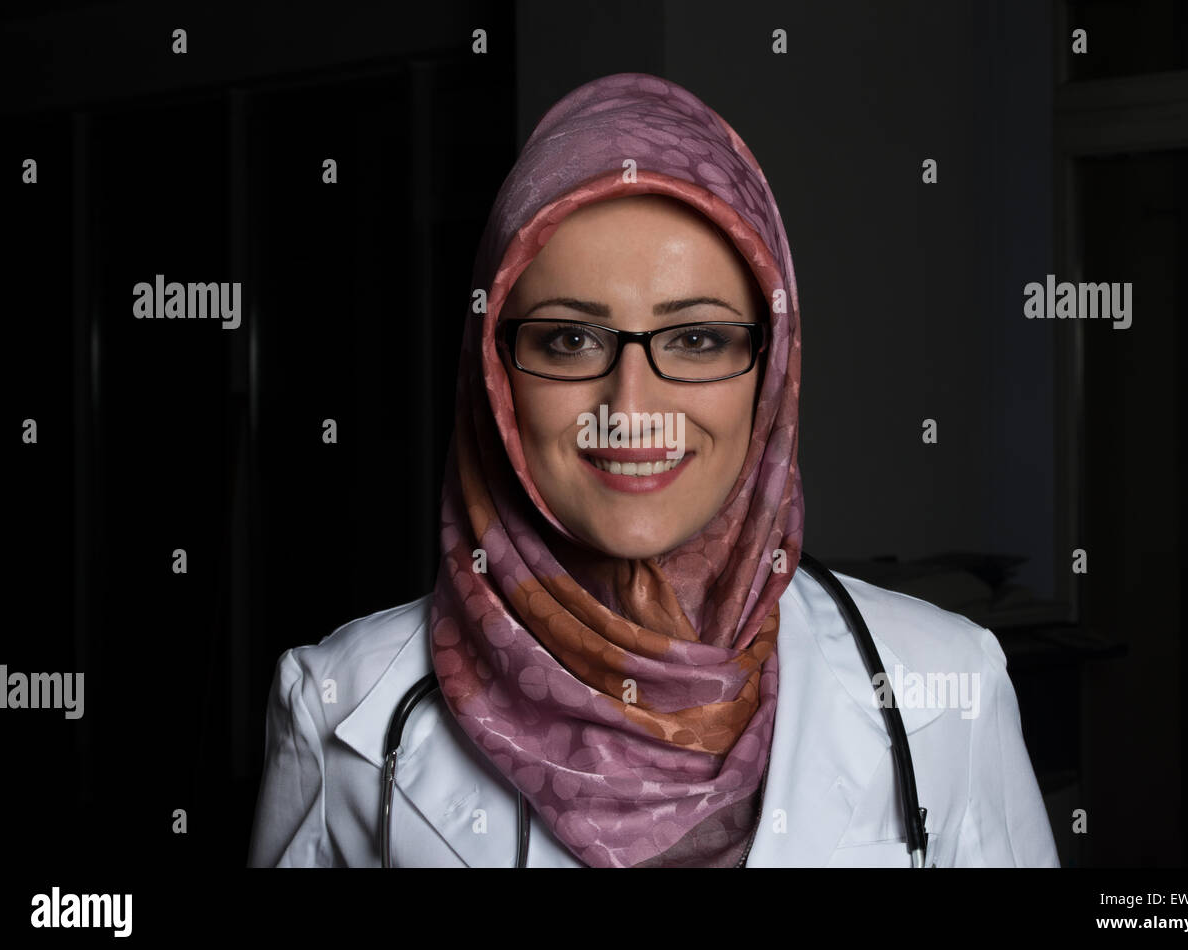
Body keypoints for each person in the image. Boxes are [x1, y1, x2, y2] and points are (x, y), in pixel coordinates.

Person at [247, 72, 1059, 868]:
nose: (631, 407)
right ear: (494, 373)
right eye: (569, 340)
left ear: (771, 372)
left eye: (696, 339)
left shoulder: (947, 690)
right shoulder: (339, 710)